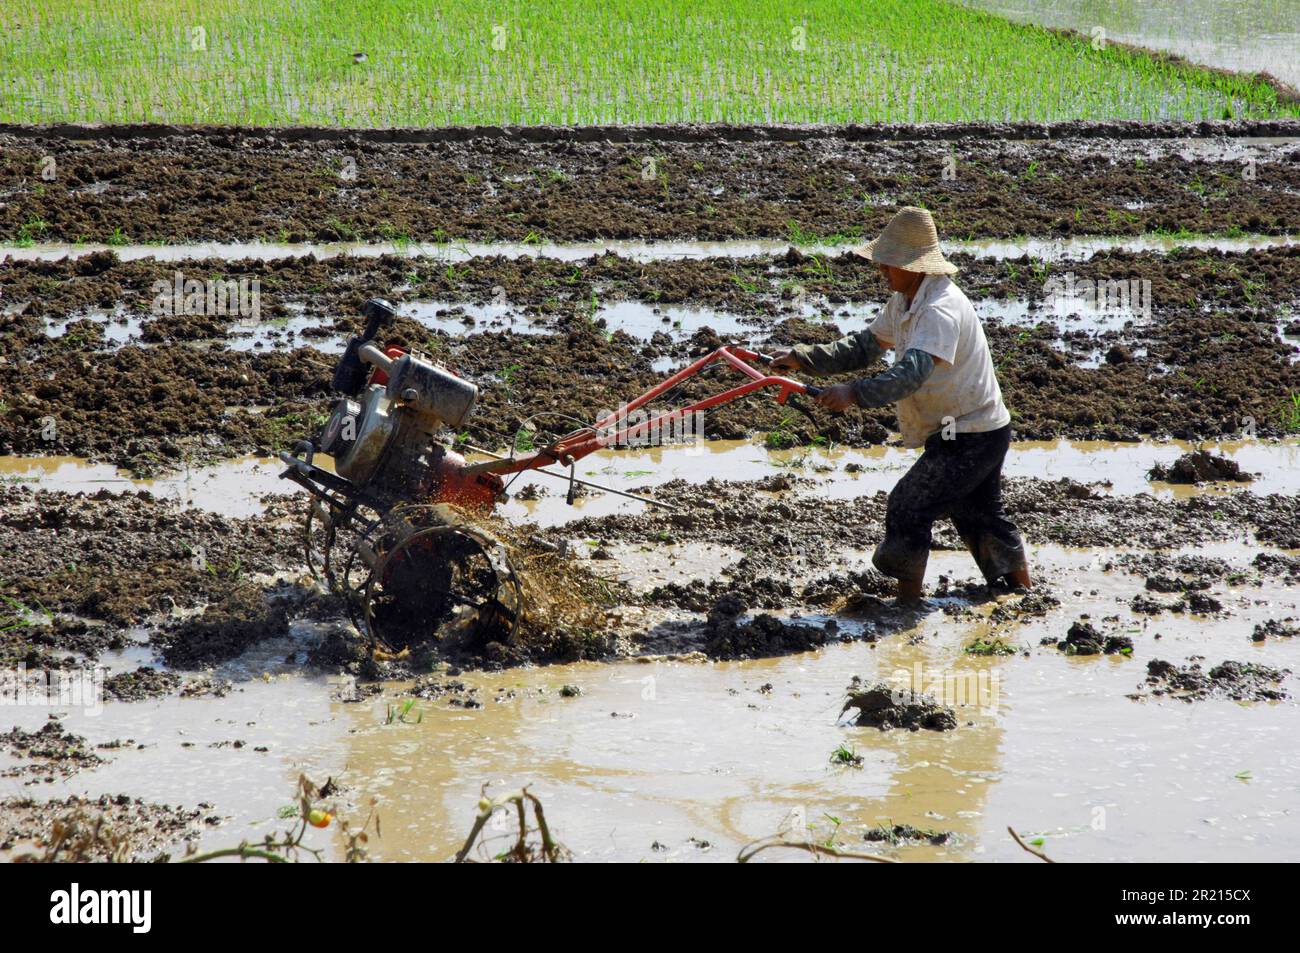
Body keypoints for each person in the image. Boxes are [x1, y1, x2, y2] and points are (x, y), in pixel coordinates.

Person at [771, 206, 1031, 604]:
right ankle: (1024, 597)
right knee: (980, 514)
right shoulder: (905, 300)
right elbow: (864, 347)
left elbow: (911, 375)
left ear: (915, 265)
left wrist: (853, 393)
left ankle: (906, 602)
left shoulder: (939, 309)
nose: (882, 271)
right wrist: (804, 357)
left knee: (910, 504)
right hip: (963, 427)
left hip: (972, 431)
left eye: (890, 263)